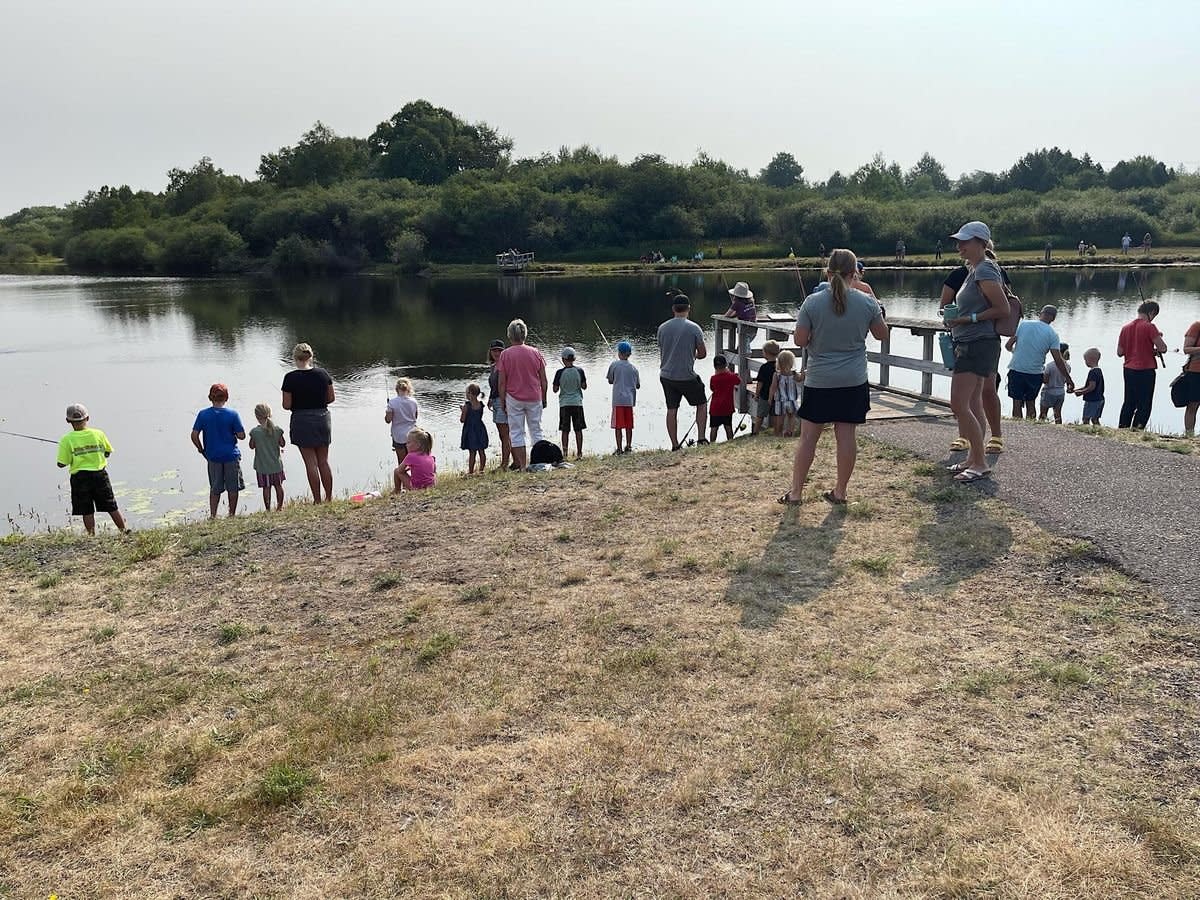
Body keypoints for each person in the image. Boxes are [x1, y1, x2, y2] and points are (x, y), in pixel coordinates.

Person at [780, 249, 888, 505]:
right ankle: (840, 491)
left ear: (827, 273)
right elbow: (882, 334)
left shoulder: (812, 302)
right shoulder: (867, 302)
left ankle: (796, 493)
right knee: (846, 436)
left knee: (808, 438)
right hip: (853, 379)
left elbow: (800, 340)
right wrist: (872, 298)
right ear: (855, 274)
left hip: (821, 379)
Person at [942, 222, 1010, 483]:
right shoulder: (975, 270)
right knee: (972, 403)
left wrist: (966, 319)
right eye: (958, 241)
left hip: (977, 343)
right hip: (974, 342)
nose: (960, 246)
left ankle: (980, 463)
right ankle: (973, 457)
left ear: (981, 243)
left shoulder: (985, 270)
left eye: (965, 241)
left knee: (958, 404)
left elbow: (1002, 309)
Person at [941, 256, 1004, 454]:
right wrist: (950, 317)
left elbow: (1003, 306)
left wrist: (971, 318)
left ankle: (995, 436)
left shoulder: (991, 272)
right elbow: (944, 304)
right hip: (963, 338)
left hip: (985, 339)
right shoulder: (960, 275)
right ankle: (966, 439)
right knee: (968, 397)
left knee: (987, 389)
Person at [56, 403, 129, 535]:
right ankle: (124, 531)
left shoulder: (66, 440)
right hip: (100, 475)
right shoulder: (98, 434)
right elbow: (107, 451)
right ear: (87, 418)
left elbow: (61, 463)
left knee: (86, 509)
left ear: (68, 420)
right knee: (111, 505)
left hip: (80, 478)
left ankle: (91, 536)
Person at [281, 342, 334, 503]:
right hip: (322, 418)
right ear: (311, 357)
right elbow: (331, 398)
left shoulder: (290, 378)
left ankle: (317, 500)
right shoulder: (323, 374)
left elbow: (287, 405)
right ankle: (329, 497)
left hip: (301, 420)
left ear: (295, 358)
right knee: (323, 461)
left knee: (311, 464)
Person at [657, 292, 708, 450]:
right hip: (686, 376)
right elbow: (703, 354)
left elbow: (662, 348)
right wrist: (693, 354)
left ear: (673, 309)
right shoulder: (694, 328)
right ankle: (701, 438)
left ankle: (674, 444)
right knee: (701, 403)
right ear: (689, 308)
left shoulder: (662, 328)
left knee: (672, 409)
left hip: (666, 376)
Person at [1004, 305, 1073, 419]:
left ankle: (1017, 429)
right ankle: (1031, 429)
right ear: (1053, 318)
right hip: (1035, 373)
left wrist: (1015, 352)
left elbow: (1008, 345)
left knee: (1016, 402)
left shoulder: (1023, 325)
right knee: (1031, 402)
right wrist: (1068, 379)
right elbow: (1058, 359)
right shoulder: (1053, 335)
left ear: (1040, 313)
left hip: (1017, 369)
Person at [497, 318, 548, 470]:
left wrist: (502, 400)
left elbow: (501, 382)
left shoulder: (505, 355)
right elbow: (543, 380)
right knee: (536, 430)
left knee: (516, 432)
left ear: (509, 335)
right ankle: (539, 463)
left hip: (513, 398)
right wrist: (544, 397)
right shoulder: (536, 352)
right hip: (534, 396)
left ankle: (523, 466)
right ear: (525, 334)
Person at [191, 383, 246, 519]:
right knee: (233, 488)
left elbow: (194, 435)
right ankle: (231, 515)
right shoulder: (232, 414)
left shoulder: (203, 414)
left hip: (213, 456)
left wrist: (201, 449)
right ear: (226, 398)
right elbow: (242, 435)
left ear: (210, 397)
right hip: (230, 456)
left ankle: (213, 516)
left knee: (215, 488)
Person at [1116, 301, 1167, 429]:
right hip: (1145, 370)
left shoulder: (1125, 327)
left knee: (1129, 401)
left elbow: (1120, 352)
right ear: (1151, 313)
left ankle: (1123, 427)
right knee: (1144, 403)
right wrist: (1158, 337)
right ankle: (1137, 429)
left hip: (1128, 369)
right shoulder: (1150, 327)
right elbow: (1163, 348)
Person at [248, 402, 286, 511]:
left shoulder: (255, 432)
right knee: (278, 486)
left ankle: (268, 509)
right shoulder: (277, 430)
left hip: (263, 467)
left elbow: (251, 446)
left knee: (266, 488)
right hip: (276, 466)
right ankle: (279, 507)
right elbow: (282, 444)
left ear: (257, 416)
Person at [552, 346, 587, 459]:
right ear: (574, 359)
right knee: (578, 430)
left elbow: (555, 389)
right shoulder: (580, 371)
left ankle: (565, 454)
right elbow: (584, 386)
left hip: (564, 404)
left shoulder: (559, 373)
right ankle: (579, 454)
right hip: (577, 403)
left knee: (565, 430)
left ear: (563, 359)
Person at [607, 340, 640, 454]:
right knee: (628, 425)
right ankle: (629, 446)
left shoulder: (614, 365)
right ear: (629, 354)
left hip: (618, 400)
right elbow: (638, 385)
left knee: (618, 426)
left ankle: (619, 448)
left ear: (619, 353)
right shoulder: (634, 368)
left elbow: (610, 380)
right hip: (629, 401)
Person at [486, 339, 512, 470]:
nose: (496, 353)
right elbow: (494, 386)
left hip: (503, 401)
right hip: (495, 401)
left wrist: (504, 403)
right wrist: (490, 398)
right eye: (494, 350)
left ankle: (505, 464)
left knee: (505, 434)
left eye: (499, 350)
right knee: (503, 434)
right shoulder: (493, 367)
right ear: (490, 352)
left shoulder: (505, 365)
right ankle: (514, 461)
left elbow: (505, 385)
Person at [385, 378, 419, 468]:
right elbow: (415, 417)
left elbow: (388, 420)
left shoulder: (392, 403)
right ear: (408, 389)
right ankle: (414, 480)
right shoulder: (414, 402)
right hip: (412, 435)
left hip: (398, 436)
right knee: (413, 461)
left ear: (397, 389)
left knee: (401, 462)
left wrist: (387, 411)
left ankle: (403, 481)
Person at [769, 349, 804, 437]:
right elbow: (773, 387)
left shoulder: (784, 374)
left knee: (784, 417)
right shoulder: (781, 375)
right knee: (789, 417)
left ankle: (783, 432)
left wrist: (770, 398)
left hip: (784, 400)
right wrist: (805, 373)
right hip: (787, 399)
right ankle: (786, 432)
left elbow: (773, 388)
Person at [708, 354, 741, 443]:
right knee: (728, 426)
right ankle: (730, 441)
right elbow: (738, 381)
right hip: (727, 407)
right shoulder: (731, 376)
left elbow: (712, 388)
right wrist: (730, 373)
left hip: (715, 408)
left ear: (714, 366)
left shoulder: (713, 378)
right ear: (726, 365)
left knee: (714, 428)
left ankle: (712, 443)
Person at [394, 426, 436, 491]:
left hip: (416, 488)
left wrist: (406, 470)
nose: (406, 445)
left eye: (408, 442)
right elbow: (433, 472)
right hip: (431, 486)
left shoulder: (411, 456)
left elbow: (400, 470)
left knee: (396, 471)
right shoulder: (430, 456)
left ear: (418, 445)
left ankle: (397, 490)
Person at [459, 383, 489, 473]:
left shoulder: (467, 406)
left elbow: (462, 420)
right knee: (481, 451)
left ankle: (471, 472)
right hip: (480, 429)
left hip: (470, 431)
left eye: (467, 393)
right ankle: (481, 470)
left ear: (470, 394)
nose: (466, 395)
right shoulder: (481, 404)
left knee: (472, 452)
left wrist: (463, 411)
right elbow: (478, 415)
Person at [752, 340, 780, 435]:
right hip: (776, 395)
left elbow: (760, 383)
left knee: (760, 415)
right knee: (774, 414)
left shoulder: (764, 367)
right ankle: (775, 431)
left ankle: (755, 432)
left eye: (763, 351)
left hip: (764, 395)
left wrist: (756, 394)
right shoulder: (779, 367)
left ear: (766, 353)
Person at [1039, 344, 1071, 423]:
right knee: (1057, 413)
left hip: (1049, 391)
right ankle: (1059, 428)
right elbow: (1066, 380)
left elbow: (1045, 381)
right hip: (1060, 392)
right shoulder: (1068, 366)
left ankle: (1041, 428)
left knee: (1043, 413)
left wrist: (1041, 373)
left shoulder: (1050, 366)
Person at [1074, 348, 1105, 426]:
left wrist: (1081, 393)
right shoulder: (1099, 370)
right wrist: (1076, 390)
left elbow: (1091, 387)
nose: (1085, 362)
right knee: (1095, 419)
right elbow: (1087, 386)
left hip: (1092, 400)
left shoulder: (1092, 372)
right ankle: (1099, 431)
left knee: (1086, 418)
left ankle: (1086, 431)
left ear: (1090, 359)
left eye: (1085, 360)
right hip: (1100, 399)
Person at [1179, 319, 1200, 436]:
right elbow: (1186, 349)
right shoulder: (1197, 326)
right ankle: (1189, 435)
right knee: (1193, 405)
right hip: (1195, 372)